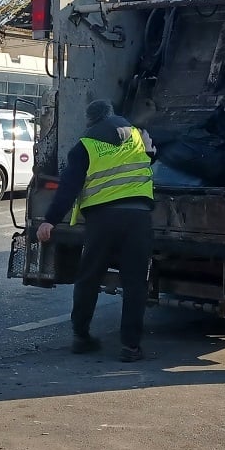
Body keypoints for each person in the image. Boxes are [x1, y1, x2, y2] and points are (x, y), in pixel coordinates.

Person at [36, 100, 155, 363]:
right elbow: (151, 157)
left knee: (89, 277)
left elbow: (69, 187)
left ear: (91, 122)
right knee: (135, 283)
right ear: (111, 115)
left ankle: (81, 337)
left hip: (102, 220)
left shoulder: (84, 146)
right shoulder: (136, 134)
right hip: (138, 216)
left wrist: (50, 220)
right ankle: (130, 347)